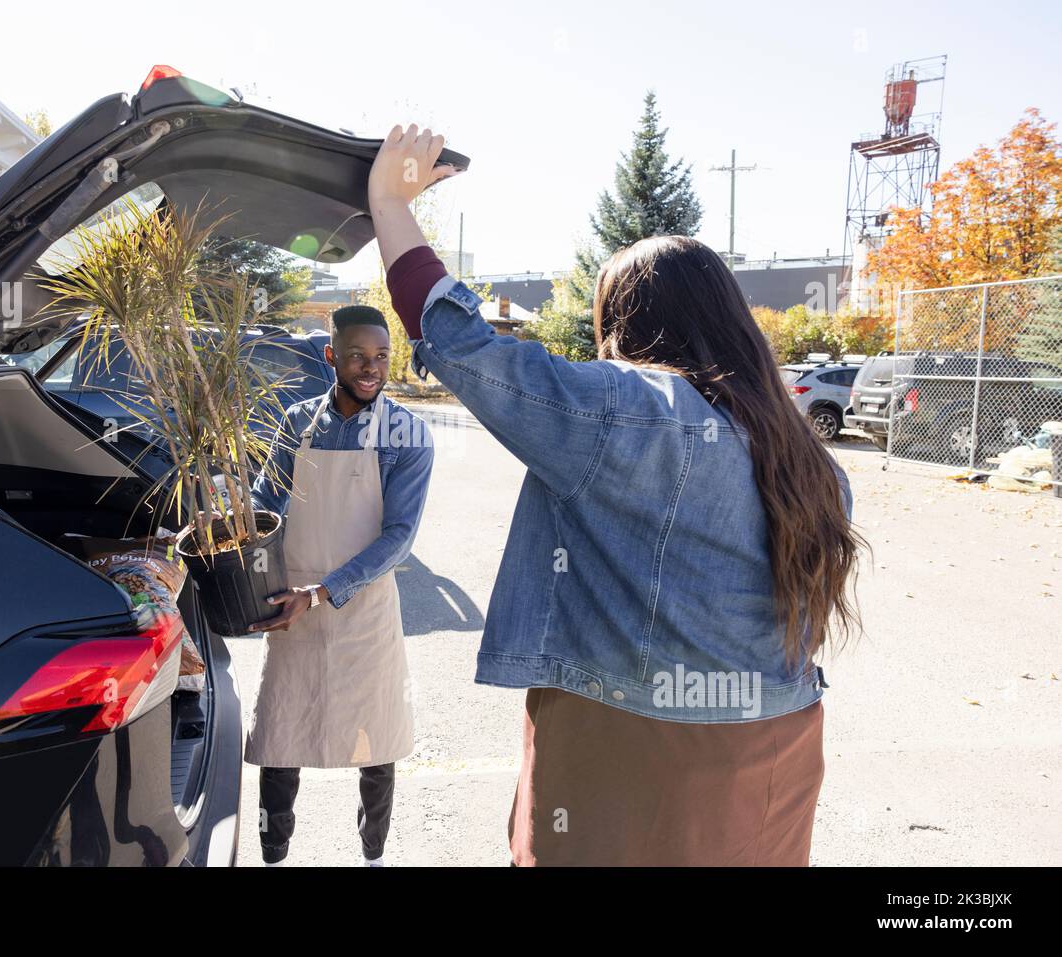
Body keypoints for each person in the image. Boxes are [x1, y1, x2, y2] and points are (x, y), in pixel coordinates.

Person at [365, 125, 864, 866]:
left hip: (640, 752)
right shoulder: (804, 454)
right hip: (777, 749)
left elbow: (467, 348)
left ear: (627, 320)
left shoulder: (627, 409)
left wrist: (388, 202)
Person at [244, 304, 434, 867]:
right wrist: (230, 531)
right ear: (332, 357)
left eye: (381, 356)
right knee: (279, 740)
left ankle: (372, 857)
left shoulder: (407, 434)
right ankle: (273, 855)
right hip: (291, 609)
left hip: (363, 609)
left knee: (376, 745)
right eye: (357, 356)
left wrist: (323, 591)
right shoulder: (296, 421)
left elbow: (399, 538)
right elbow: (264, 504)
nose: (371, 368)